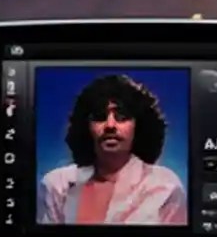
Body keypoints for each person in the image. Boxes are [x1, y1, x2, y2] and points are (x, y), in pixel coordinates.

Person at [38, 74, 186, 225]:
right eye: (100, 116)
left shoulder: (164, 187)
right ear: (85, 127)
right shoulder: (57, 185)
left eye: (121, 117)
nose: (110, 125)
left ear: (140, 126)